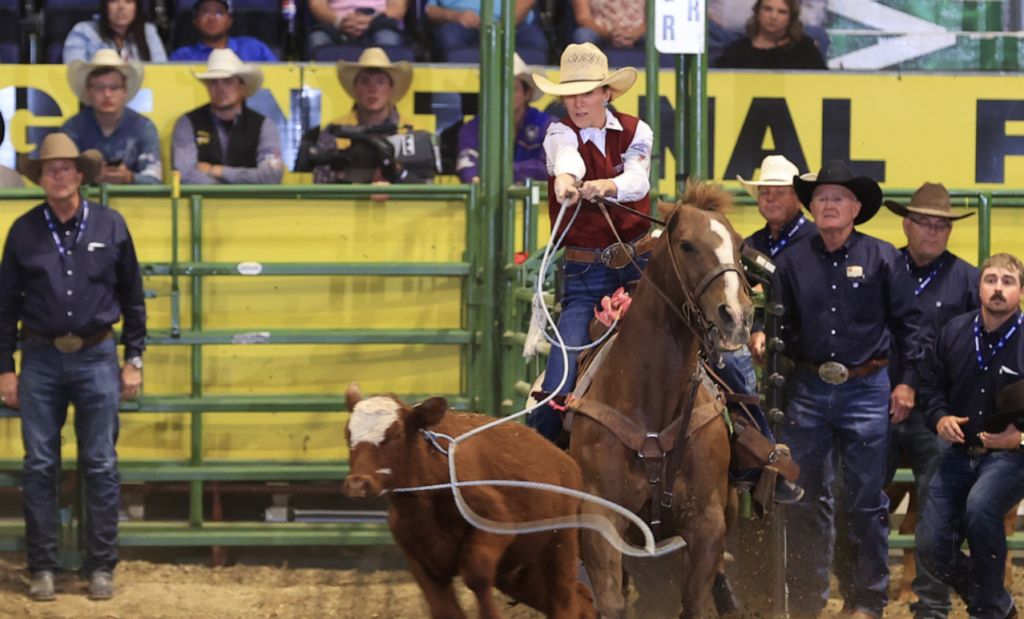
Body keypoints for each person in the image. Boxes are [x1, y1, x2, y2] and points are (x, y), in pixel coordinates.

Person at [772, 160, 925, 619]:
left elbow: (911, 327)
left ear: (856, 207)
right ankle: (806, 601)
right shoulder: (791, 261)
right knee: (802, 497)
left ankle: (867, 602)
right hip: (808, 388)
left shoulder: (884, 258)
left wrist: (907, 384)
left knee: (865, 500)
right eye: (821, 198)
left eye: (839, 197)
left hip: (867, 387)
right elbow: (781, 328)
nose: (829, 205)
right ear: (811, 207)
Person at [2, 133, 146, 602]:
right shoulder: (22, 231)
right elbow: (4, 307)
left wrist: (134, 360)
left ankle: (100, 566)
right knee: (40, 464)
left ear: (80, 175)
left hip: (99, 354)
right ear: (39, 178)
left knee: (100, 463)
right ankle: (42, 566)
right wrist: (5, 368)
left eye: (65, 168)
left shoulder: (112, 225)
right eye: (49, 169)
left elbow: (133, 297)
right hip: (40, 356)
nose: (58, 175)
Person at [523, 43, 652, 441]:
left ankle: (748, 452)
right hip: (583, 274)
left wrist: (606, 185)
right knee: (561, 379)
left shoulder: (636, 130)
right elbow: (568, 158)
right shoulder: (559, 132)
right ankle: (540, 458)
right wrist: (565, 179)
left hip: (642, 269)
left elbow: (638, 181)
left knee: (705, 355)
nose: (577, 102)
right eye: (570, 94)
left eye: (587, 92)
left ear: (606, 94)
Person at [874, 182, 979, 619]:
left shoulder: (969, 280)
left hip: (939, 412)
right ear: (906, 224)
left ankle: (931, 603)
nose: (933, 232)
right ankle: (868, 594)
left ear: (950, 232)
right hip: (875, 401)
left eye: (941, 225)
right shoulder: (882, 267)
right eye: (924, 223)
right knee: (859, 500)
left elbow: (981, 347)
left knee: (938, 510)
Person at [916, 253, 1024, 619]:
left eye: (1007, 281)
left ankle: (986, 612)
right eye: (990, 279)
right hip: (959, 453)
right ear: (979, 288)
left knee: (980, 509)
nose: (998, 288)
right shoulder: (954, 332)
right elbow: (930, 386)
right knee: (930, 548)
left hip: (1010, 457)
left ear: (1020, 291)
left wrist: (1020, 440)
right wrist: (939, 417)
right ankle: (994, 603)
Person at [312, 47, 426, 189]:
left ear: (391, 88)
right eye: (365, 82)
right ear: (356, 88)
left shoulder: (414, 131)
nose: (372, 89)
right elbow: (321, 188)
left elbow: (426, 187)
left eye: (380, 82)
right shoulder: (335, 131)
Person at [172, 49, 283, 185]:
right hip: (205, 205)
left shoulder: (263, 125)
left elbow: (272, 176)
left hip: (250, 206)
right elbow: (184, 175)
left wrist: (216, 170)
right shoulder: (188, 122)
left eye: (228, 81)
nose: (220, 89)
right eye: (214, 82)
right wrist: (232, 187)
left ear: (242, 86)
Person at [60, 50, 162, 185]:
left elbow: (155, 180)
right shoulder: (71, 128)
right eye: (99, 87)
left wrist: (129, 178)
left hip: (133, 205)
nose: (107, 94)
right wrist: (89, 176)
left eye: (114, 87)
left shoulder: (144, 126)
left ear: (124, 90)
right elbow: (61, 178)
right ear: (88, 91)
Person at [456, 53, 554, 184]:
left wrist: (495, 175)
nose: (504, 95)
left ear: (528, 93)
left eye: (512, 89)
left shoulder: (548, 125)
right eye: (498, 88)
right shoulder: (472, 128)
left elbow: (548, 168)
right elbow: (467, 168)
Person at [715, 0, 827, 69]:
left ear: (791, 17)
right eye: (767, 9)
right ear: (758, 12)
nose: (773, 16)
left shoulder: (805, 49)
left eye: (782, 12)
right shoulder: (737, 50)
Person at [425, 0, 548, 61]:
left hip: (513, 22)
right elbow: (429, 9)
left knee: (535, 41)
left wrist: (506, 22)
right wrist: (455, 16)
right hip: (461, 24)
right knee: (450, 38)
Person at [169, 0, 278, 62]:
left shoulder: (253, 49)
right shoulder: (181, 57)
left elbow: (280, 78)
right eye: (206, 12)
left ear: (230, 21)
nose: (212, 18)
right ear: (195, 20)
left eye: (219, 13)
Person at [63, 0, 168, 63]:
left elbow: (162, 71)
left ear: (136, 7)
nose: (121, 7)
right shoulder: (84, 31)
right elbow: (74, 72)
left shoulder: (148, 31)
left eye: (128, 1)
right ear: (105, 6)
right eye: (114, 1)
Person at [306, 0, 408, 55]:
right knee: (318, 39)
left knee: (387, 39)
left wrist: (373, 20)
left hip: (379, 23)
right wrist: (339, 22)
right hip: (335, 24)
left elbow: (398, 6)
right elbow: (317, 4)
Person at [569, 0, 645, 49]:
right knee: (583, 35)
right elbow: (583, 18)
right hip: (600, 30)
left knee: (654, 36)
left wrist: (635, 34)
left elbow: (655, 16)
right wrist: (609, 34)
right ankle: (586, 71)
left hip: (639, 30)